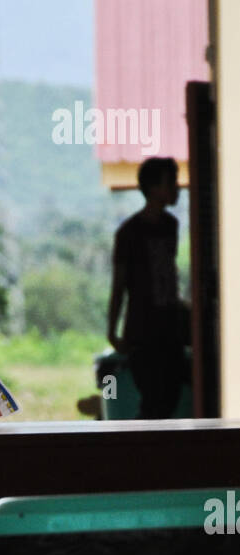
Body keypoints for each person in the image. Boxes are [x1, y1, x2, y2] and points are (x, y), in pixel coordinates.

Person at [107, 156, 189, 419]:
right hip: (143, 331)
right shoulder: (129, 233)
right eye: (171, 183)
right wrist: (113, 330)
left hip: (170, 329)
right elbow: (119, 285)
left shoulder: (171, 225)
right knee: (155, 402)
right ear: (154, 188)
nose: (176, 188)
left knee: (167, 401)